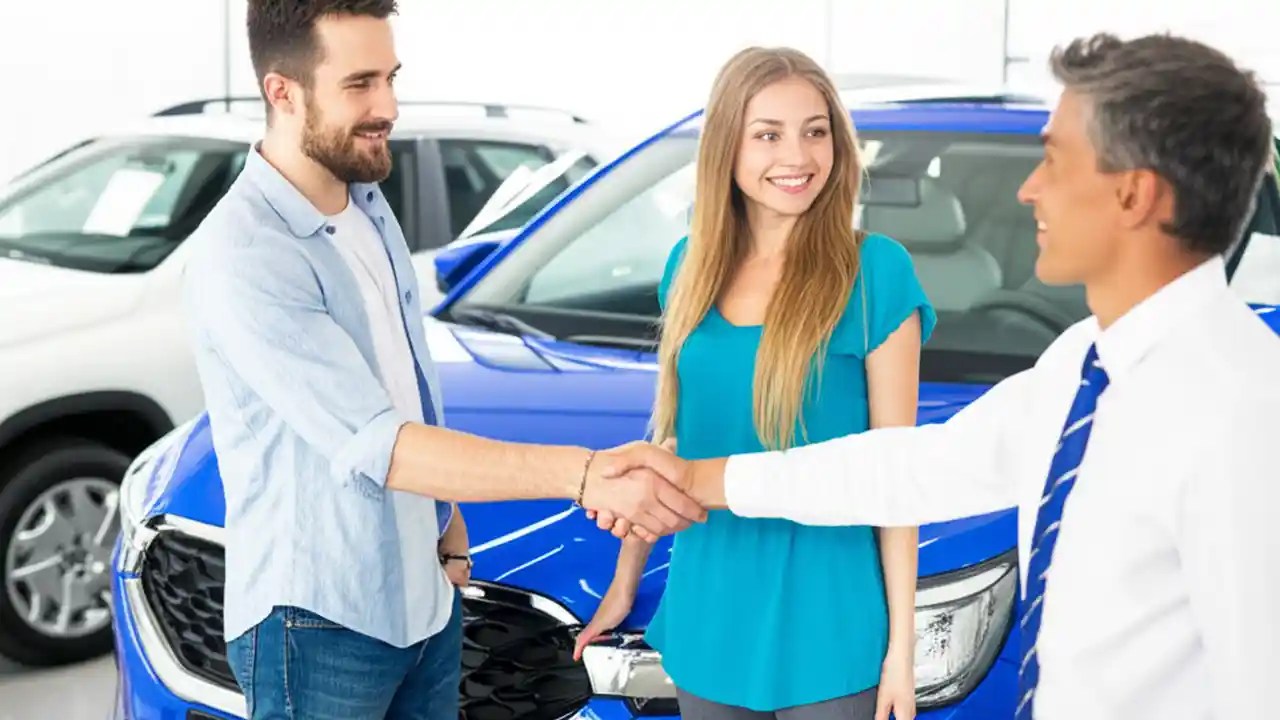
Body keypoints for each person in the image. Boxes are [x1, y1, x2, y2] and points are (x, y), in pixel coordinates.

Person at [598, 33, 1280, 720]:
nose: (1027, 188)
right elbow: (909, 467)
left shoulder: (1245, 412)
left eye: (1053, 159)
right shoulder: (1081, 368)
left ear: (1132, 195)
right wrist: (695, 480)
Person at [182, 2, 703, 718]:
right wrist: (585, 475)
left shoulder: (365, 203)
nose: (388, 106)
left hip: (424, 600)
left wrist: (443, 517)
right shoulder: (246, 253)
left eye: (391, 77)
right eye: (360, 83)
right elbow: (378, 441)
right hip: (319, 625)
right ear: (283, 92)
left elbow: (402, 387)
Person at [574, 47, 934, 720]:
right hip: (710, 612)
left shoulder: (876, 273)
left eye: (815, 130)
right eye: (768, 134)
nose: (797, 156)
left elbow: (897, 475)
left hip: (831, 621)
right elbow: (674, 442)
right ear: (726, 149)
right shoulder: (689, 266)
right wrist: (626, 583)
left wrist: (902, 656)